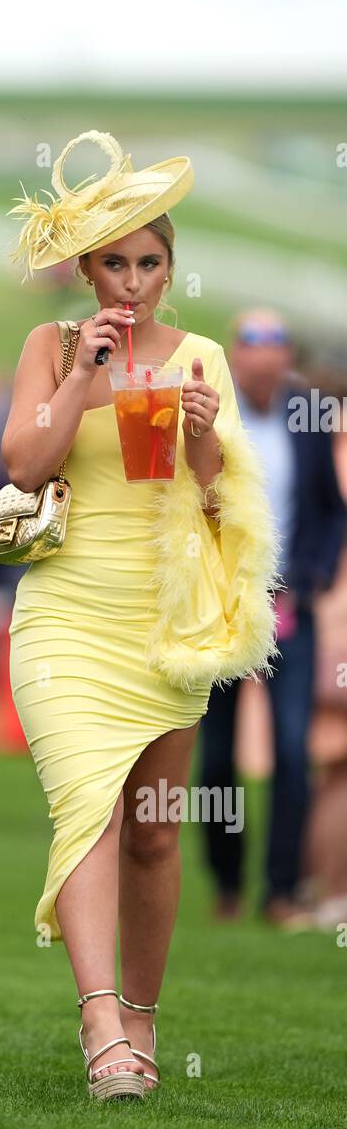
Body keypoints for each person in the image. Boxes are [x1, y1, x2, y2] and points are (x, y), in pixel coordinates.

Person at [2, 130, 281, 1101]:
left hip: (161, 620)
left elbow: (220, 513)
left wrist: (204, 448)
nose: (130, 282)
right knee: (87, 804)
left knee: (154, 828)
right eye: (113, 262)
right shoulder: (49, 346)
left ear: (169, 266)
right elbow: (21, 466)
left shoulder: (199, 357)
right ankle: (97, 1024)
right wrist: (84, 374)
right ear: (86, 269)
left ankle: (143, 1018)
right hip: (64, 613)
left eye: (147, 262)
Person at [197, 311, 347, 927]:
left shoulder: (307, 416)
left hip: (292, 605)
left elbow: (330, 510)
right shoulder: (213, 410)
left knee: (292, 748)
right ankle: (227, 883)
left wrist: (310, 579)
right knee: (217, 757)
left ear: (285, 360)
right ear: (236, 358)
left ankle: (281, 889)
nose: (263, 368)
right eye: (251, 356)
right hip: (224, 605)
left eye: (274, 355)